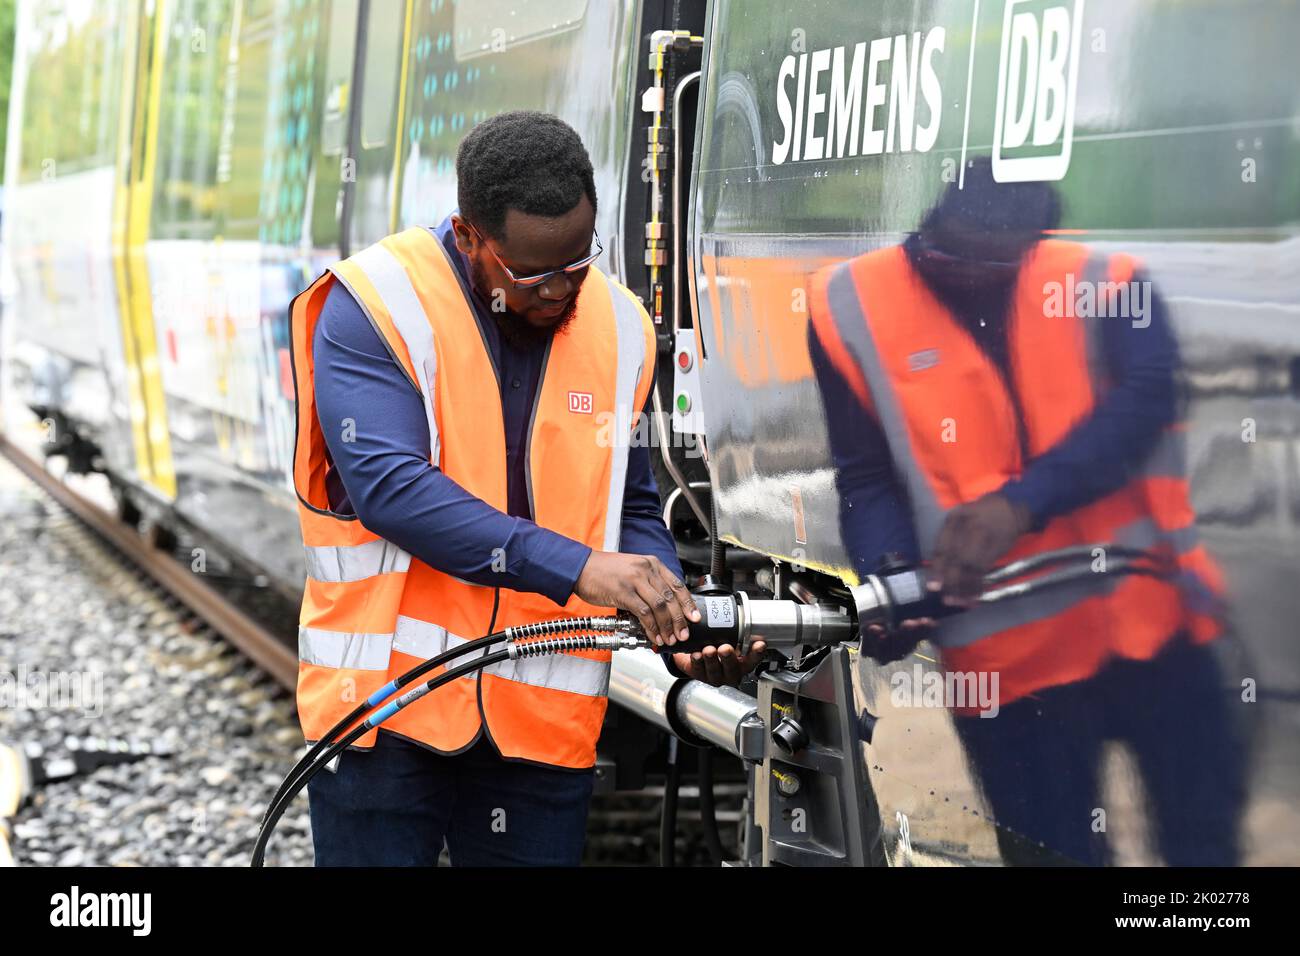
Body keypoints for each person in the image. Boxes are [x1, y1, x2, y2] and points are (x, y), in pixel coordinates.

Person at [287, 111, 758, 866]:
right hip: (386, 711)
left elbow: (629, 503)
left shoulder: (620, 326)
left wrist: (668, 604)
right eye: (533, 274)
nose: (559, 292)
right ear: (470, 236)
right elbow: (390, 487)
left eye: (578, 262)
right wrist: (580, 569)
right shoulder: (376, 305)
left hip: (538, 723)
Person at [807, 158, 1244, 865]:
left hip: (1156, 629)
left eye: (1007, 259)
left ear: (1038, 238)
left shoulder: (1104, 282)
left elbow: (1147, 402)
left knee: (1204, 862)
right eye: (957, 255)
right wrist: (890, 573)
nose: (981, 275)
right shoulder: (850, 307)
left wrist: (1020, 505)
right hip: (1009, 670)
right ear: (932, 226)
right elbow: (867, 474)